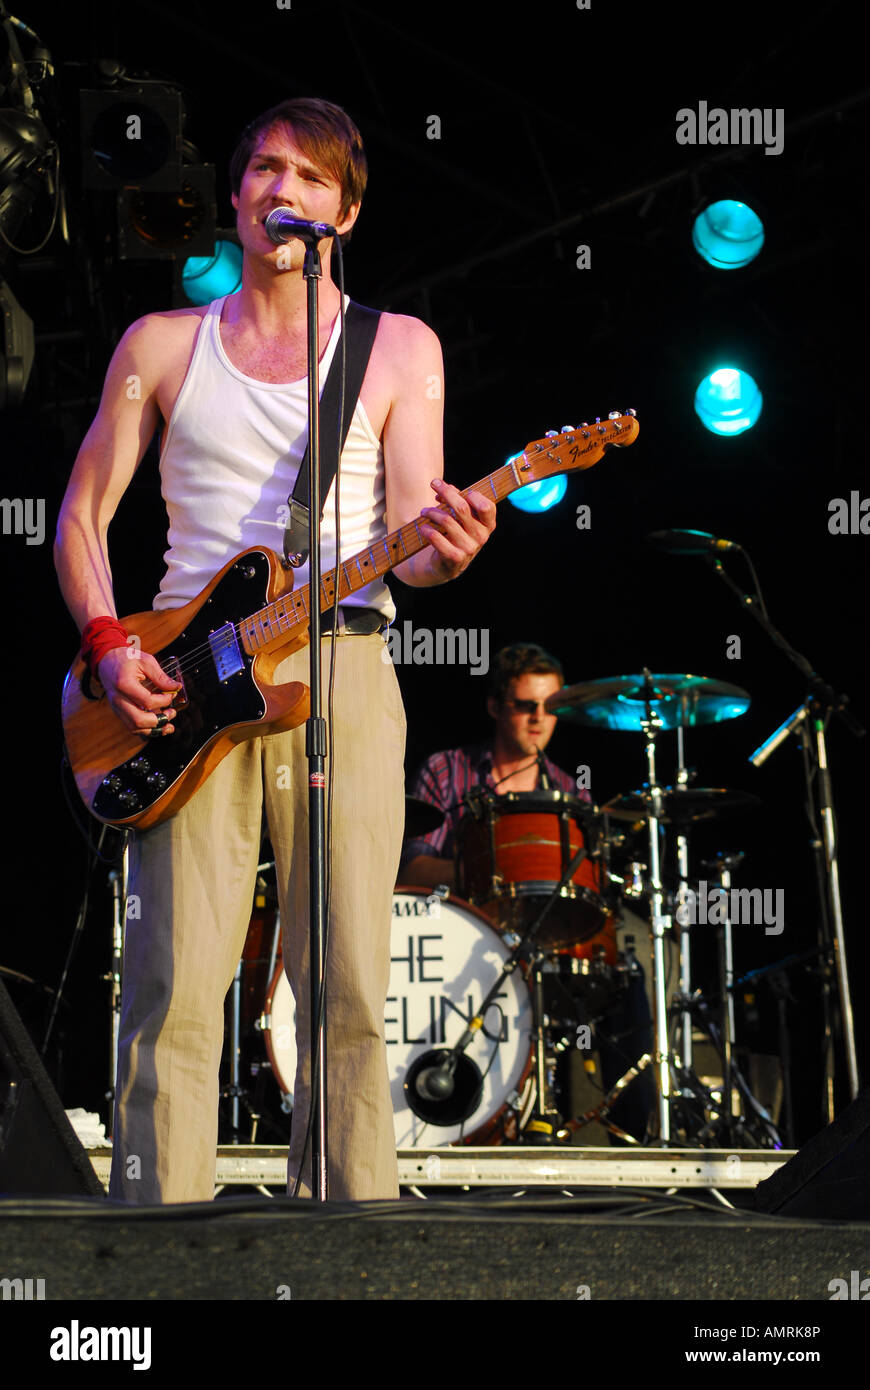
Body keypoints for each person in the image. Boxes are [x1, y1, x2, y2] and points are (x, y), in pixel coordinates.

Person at [54, 97, 496, 1203]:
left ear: (344, 209)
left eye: (306, 174)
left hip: (342, 662)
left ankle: (351, 1236)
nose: (277, 188)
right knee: (173, 976)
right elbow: (80, 516)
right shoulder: (160, 344)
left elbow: (417, 542)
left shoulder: (398, 347)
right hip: (183, 677)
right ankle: (148, 1238)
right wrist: (111, 650)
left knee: (344, 975)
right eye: (260, 168)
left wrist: (453, 547)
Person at [399, 643, 654, 1141]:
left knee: (627, 975)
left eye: (551, 706)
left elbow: (585, 891)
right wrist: (491, 874)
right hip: (462, 946)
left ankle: (634, 1138)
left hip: (545, 944)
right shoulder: (446, 771)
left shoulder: (569, 795)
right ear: (495, 706)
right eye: (525, 705)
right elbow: (412, 867)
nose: (540, 719)